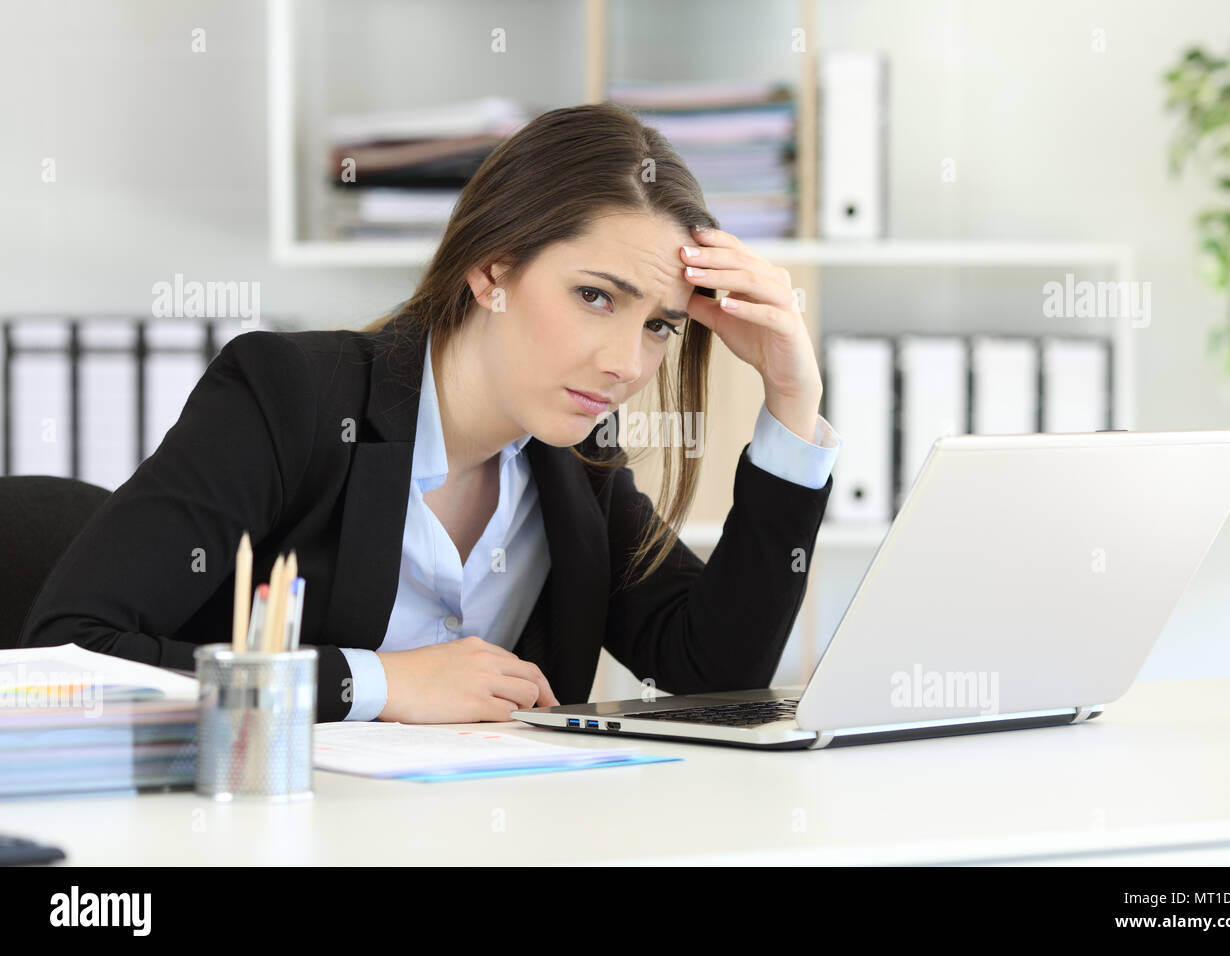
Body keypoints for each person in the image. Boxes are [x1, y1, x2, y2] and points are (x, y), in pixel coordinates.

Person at [20, 102, 841, 723]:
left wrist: (793, 402)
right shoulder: (291, 397)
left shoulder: (575, 458)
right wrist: (380, 682)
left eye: (659, 324)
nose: (627, 364)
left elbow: (717, 675)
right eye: (595, 296)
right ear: (492, 272)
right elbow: (70, 652)